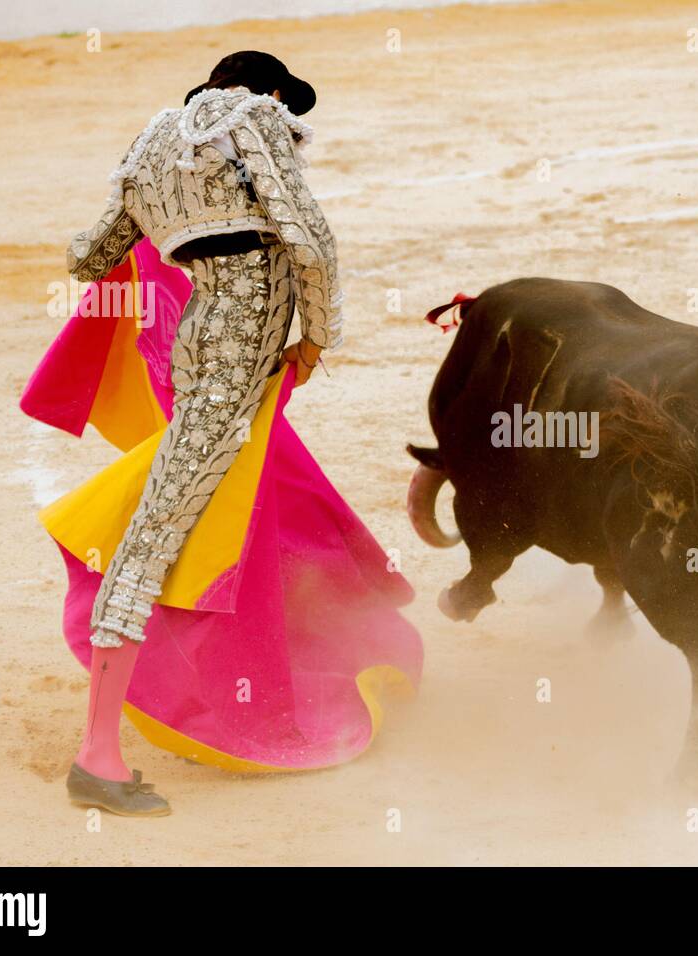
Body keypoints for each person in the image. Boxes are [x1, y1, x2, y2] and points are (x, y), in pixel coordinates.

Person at [22, 52, 422, 817]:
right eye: (285, 103)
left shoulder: (151, 140)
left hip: (195, 338)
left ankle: (109, 742)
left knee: (177, 520)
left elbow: (86, 255)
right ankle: (97, 759)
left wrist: (177, 224)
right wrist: (316, 339)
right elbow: (310, 239)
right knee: (155, 537)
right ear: (266, 92)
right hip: (238, 355)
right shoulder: (257, 118)